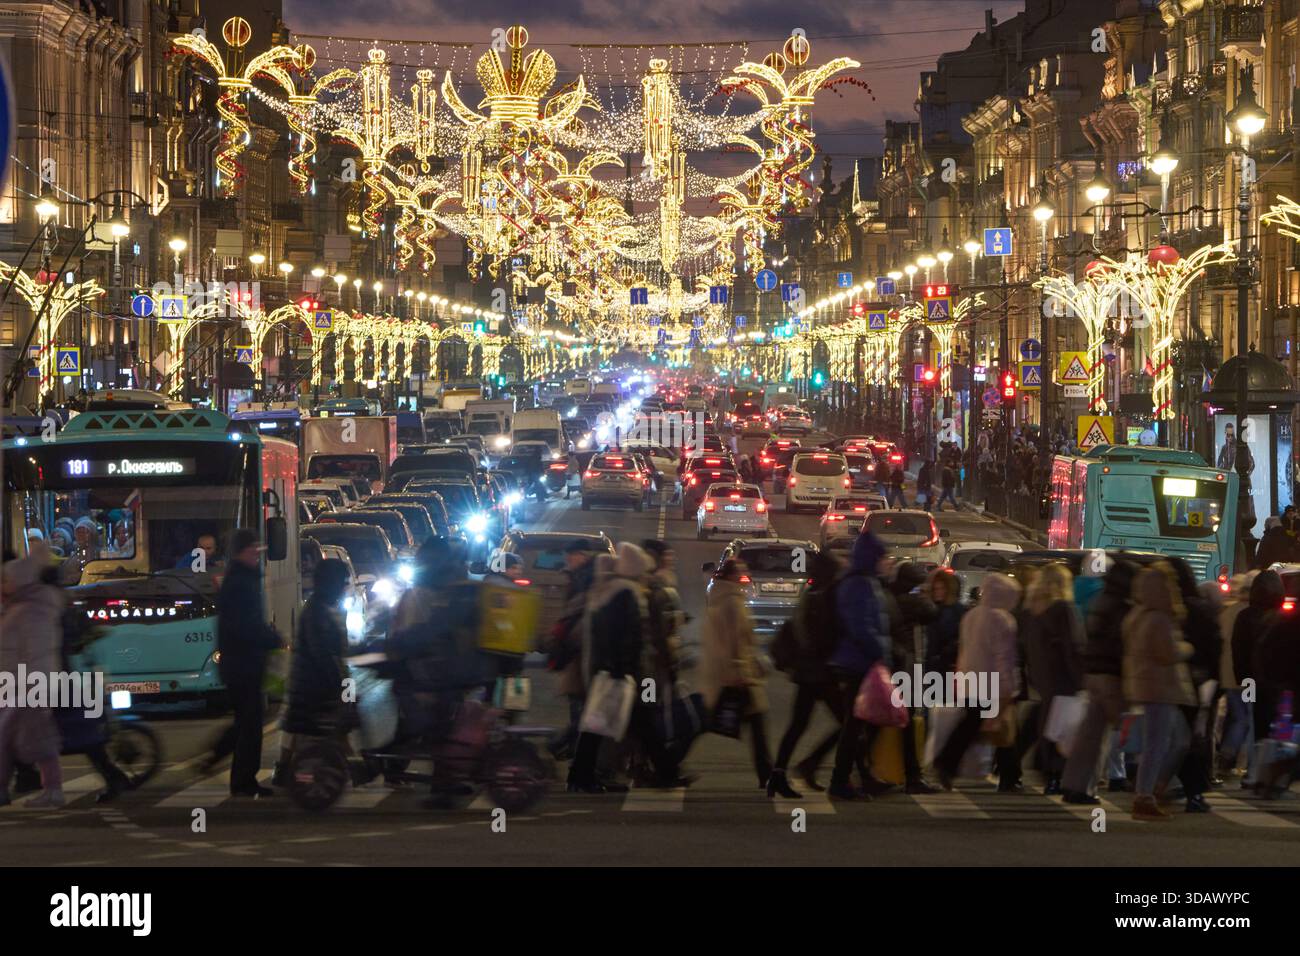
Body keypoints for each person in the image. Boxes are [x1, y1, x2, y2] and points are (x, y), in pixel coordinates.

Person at [202, 530, 284, 797]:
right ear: (241, 551)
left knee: (245, 721)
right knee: (249, 723)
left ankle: (220, 760)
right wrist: (272, 638)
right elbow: (245, 625)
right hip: (243, 663)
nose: (257, 555)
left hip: (241, 662)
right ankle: (243, 780)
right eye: (253, 550)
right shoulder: (240, 582)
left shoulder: (240, 579)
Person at [568, 543, 654, 793]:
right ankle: (584, 776)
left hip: (603, 670)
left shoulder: (602, 591)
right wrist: (622, 667)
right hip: (615, 672)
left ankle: (583, 775)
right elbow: (624, 636)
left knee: (597, 726)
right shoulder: (623, 592)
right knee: (598, 726)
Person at [933, 573, 1023, 792]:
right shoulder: (1003, 620)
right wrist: (1009, 685)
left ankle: (949, 764)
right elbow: (1005, 657)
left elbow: (964, 650)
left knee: (972, 724)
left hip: (970, 680)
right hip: (992, 682)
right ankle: (1008, 776)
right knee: (999, 725)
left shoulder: (971, 615)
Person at [769, 551, 847, 797]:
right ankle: (809, 766)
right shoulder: (824, 598)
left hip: (808, 672)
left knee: (798, 725)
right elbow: (823, 638)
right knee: (849, 724)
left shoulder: (812, 595)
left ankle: (781, 774)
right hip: (820, 673)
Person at [1123, 563, 1196, 821]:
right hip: (1160, 687)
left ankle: (1150, 789)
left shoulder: (1139, 615)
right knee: (1163, 743)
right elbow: (1167, 654)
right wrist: (1186, 648)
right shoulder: (1159, 619)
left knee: (1167, 741)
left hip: (1148, 686)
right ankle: (1146, 794)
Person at [1061, 559, 1138, 804]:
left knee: (1091, 734)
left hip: (1094, 672)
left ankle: (1075, 785)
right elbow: (1121, 643)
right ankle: (1145, 783)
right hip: (1112, 675)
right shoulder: (1122, 607)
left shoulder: (1102, 600)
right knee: (1131, 732)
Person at [0, 544, 67, 807]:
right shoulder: (24, 607)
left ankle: (53, 791)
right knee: (14, 740)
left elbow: (35, 651)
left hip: (28, 686)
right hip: (19, 685)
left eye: (6, 579)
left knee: (37, 740)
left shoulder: (30, 610)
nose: (3, 584)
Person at [699, 557, 773, 789]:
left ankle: (767, 773)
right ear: (731, 576)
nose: (744, 576)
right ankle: (668, 759)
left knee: (747, 724)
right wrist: (741, 670)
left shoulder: (721, 597)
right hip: (738, 674)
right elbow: (737, 641)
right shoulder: (733, 601)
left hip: (728, 672)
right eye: (740, 572)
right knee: (754, 725)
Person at [827, 531, 890, 799]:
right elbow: (861, 626)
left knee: (860, 724)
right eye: (883, 557)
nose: (887, 562)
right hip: (857, 663)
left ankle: (862, 776)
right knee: (855, 726)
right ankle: (840, 781)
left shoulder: (863, 581)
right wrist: (881, 651)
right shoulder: (859, 585)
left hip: (859, 660)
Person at [1021, 563, 1084, 794]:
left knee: (1049, 724)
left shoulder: (1031, 610)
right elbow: (1074, 646)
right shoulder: (1064, 609)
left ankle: (1050, 775)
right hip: (1064, 677)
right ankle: (1058, 775)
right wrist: (1081, 679)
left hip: (1043, 677)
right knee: (1065, 728)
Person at [1167, 558, 1221, 812]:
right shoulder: (1201, 609)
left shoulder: (1171, 609)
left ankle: (1176, 786)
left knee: (1176, 738)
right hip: (1198, 681)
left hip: (1173, 682)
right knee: (1190, 737)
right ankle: (1192, 789)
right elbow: (1215, 647)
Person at [282, 559, 351, 744]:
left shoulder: (322, 609)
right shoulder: (317, 613)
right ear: (332, 583)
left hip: (313, 699)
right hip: (314, 700)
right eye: (343, 582)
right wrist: (345, 693)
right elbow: (325, 658)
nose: (345, 588)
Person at [1232, 568, 1284, 790]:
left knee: (1253, 723)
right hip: (1276, 682)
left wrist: (1241, 677)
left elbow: (1238, 649)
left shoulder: (1244, 616)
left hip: (1250, 680)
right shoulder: (1282, 616)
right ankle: (1270, 772)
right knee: (1276, 726)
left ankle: (1252, 771)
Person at [548, 539, 596, 760]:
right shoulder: (579, 577)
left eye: (572, 555)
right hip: (579, 653)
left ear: (583, 555)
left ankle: (566, 744)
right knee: (579, 702)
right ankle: (574, 747)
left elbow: (578, 617)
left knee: (583, 705)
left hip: (584, 652)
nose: (568, 560)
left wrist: (566, 639)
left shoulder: (589, 579)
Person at [1216, 571, 1257, 778]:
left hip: (1227, 674)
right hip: (1246, 678)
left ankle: (1228, 758)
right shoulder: (1251, 614)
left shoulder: (1227, 611)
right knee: (1245, 719)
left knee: (1236, 717)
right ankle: (1230, 757)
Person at [924, 567, 966, 676]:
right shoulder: (933, 610)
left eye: (941, 588)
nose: (938, 592)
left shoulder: (956, 610)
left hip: (949, 666)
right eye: (935, 589)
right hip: (935, 667)